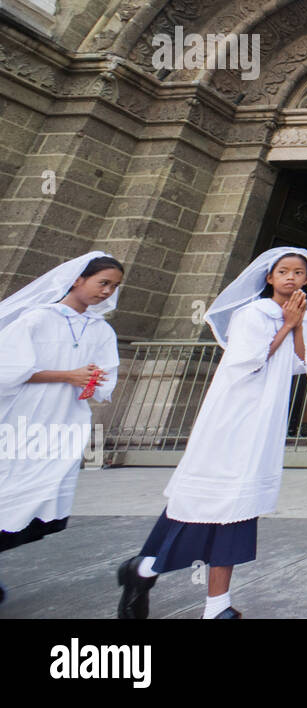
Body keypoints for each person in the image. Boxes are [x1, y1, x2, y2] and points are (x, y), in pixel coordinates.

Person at [116, 248, 307, 619]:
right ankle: (160, 578)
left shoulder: (305, 320)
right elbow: (248, 360)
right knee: (206, 499)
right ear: (269, 278)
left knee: (239, 505)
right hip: (231, 416)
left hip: (264, 420)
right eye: (284, 271)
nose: (291, 278)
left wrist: (296, 324)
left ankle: (198, 597)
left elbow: (303, 364)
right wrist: (284, 323)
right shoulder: (252, 313)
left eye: (300, 273)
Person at [0, 252, 123, 605]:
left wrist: (92, 382)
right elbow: (7, 368)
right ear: (77, 280)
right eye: (103, 283)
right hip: (24, 417)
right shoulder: (37, 319)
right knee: (8, 488)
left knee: (36, 496)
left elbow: (104, 376)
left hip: (64, 420)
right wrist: (66, 375)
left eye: (114, 286)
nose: (107, 291)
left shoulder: (101, 329)